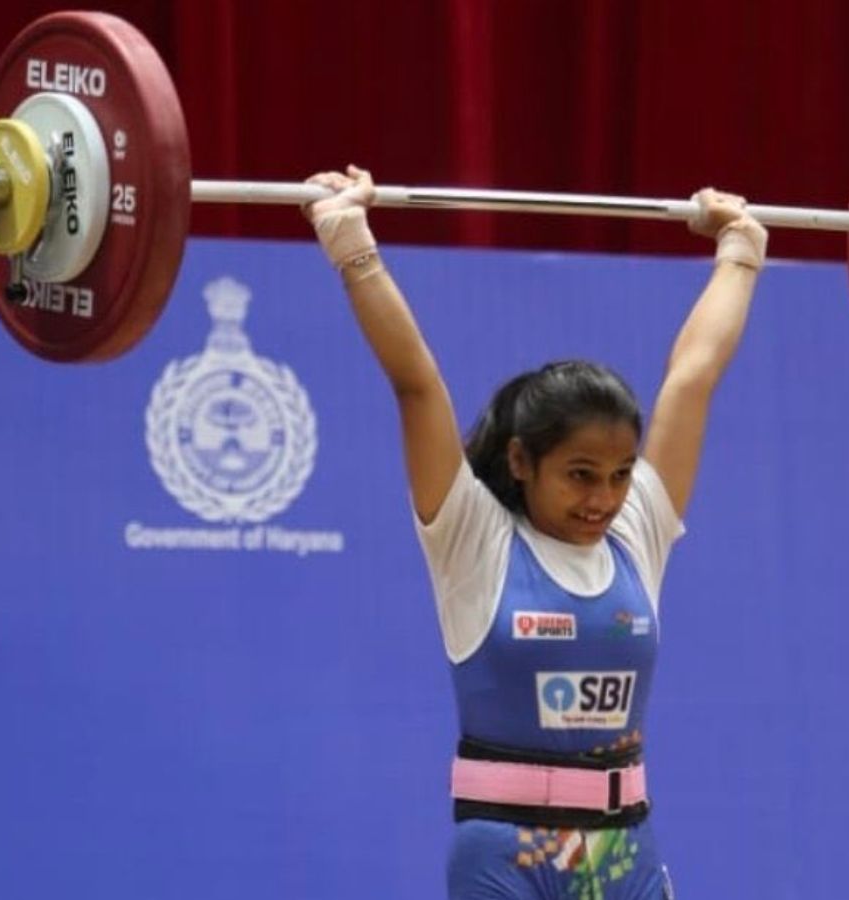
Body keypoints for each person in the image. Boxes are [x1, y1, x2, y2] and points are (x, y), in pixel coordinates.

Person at [304, 165, 766, 900]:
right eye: (580, 474)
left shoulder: (635, 531)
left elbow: (693, 375)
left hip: (625, 856)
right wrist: (349, 239)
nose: (605, 499)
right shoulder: (472, 537)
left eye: (619, 475)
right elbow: (416, 381)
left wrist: (741, 248)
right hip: (505, 859)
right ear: (521, 461)